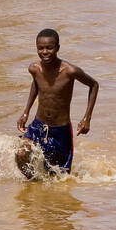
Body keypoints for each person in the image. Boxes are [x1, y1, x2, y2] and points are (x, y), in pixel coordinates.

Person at [14, 28, 99, 178]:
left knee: (60, 178)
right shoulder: (34, 69)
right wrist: (26, 111)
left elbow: (94, 85)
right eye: (41, 48)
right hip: (38, 125)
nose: (45, 51)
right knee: (21, 154)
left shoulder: (70, 71)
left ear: (57, 48)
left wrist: (87, 118)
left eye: (49, 47)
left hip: (60, 131)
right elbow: (36, 84)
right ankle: (33, 186)